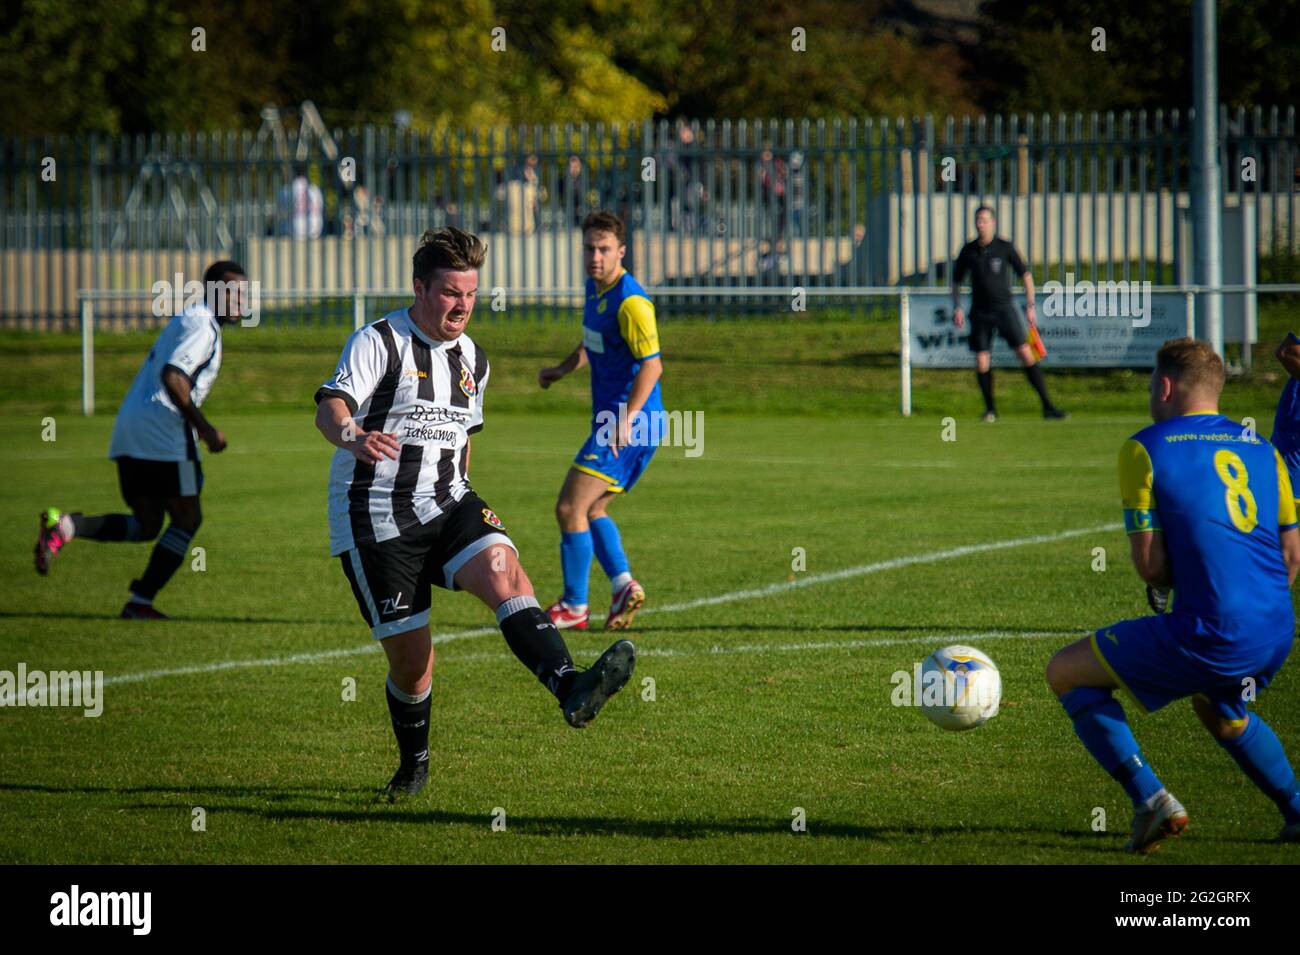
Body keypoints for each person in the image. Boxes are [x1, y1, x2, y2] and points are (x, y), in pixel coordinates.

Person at [314, 227, 635, 801]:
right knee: (414, 664)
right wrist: (351, 434)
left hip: (449, 500)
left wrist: (462, 491)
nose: (462, 305)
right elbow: (331, 405)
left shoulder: (473, 359)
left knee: (504, 570)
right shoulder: (379, 341)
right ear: (419, 287)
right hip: (378, 521)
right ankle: (413, 766)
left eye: (470, 294)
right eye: (449, 293)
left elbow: (464, 435)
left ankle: (570, 687)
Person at [1045, 339, 1300, 852]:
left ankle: (1150, 799)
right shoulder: (1263, 449)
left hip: (1212, 630)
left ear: (1163, 386)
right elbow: (1293, 555)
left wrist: (1183, 590)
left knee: (1065, 672)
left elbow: (1151, 567)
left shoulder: (1146, 446)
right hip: (1276, 627)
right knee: (1220, 709)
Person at [34, 261, 247, 619]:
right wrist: (206, 429)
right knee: (187, 518)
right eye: (233, 292)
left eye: (244, 293)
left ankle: (67, 526)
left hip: (130, 428)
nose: (241, 301)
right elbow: (174, 376)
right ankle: (141, 601)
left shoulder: (192, 318)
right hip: (164, 435)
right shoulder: (203, 326)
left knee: (147, 523)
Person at [538, 210, 662, 632]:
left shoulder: (632, 301)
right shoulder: (597, 291)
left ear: (621, 251)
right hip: (626, 423)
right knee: (592, 508)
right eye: (590, 247)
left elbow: (653, 367)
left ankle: (574, 606)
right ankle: (624, 584)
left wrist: (625, 420)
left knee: (569, 506)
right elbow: (596, 342)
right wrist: (562, 368)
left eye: (604, 248)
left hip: (628, 423)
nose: (595, 255)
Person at [952, 206, 1066, 421]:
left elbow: (1025, 275)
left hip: (1005, 310)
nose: (980, 224)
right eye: (978, 220)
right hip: (979, 312)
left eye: (984, 220)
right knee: (982, 361)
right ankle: (990, 410)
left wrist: (1030, 306)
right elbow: (956, 281)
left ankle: (1048, 407)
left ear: (992, 223)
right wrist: (957, 307)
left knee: (1026, 354)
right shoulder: (968, 250)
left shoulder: (1004, 247)